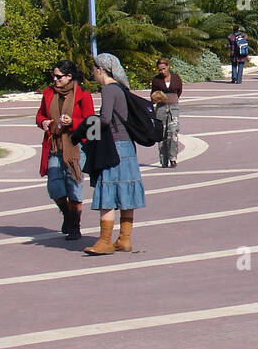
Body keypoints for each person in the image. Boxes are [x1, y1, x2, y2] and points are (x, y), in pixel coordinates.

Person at [84, 52, 146, 255]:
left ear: (100, 69)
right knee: (126, 192)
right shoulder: (122, 88)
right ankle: (124, 239)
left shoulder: (108, 90)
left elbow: (104, 119)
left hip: (114, 148)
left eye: (93, 69)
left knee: (107, 194)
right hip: (128, 148)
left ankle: (104, 241)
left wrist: (88, 126)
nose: (93, 73)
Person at [35, 60, 95, 240]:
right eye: (53, 76)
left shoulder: (83, 95)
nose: (55, 79)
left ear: (69, 77)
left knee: (74, 184)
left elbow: (92, 124)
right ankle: (67, 214)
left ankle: (75, 225)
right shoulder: (48, 93)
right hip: (54, 145)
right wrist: (43, 122)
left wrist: (73, 123)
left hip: (76, 146)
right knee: (54, 186)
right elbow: (40, 115)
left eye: (58, 76)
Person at [150, 57, 183, 167]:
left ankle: (173, 158)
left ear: (168, 66)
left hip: (173, 108)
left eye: (164, 69)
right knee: (162, 134)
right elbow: (153, 94)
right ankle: (164, 160)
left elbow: (179, 91)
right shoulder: (156, 80)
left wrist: (172, 99)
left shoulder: (176, 78)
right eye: (160, 70)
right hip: (161, 108)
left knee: (173, 132)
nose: (162, 71)